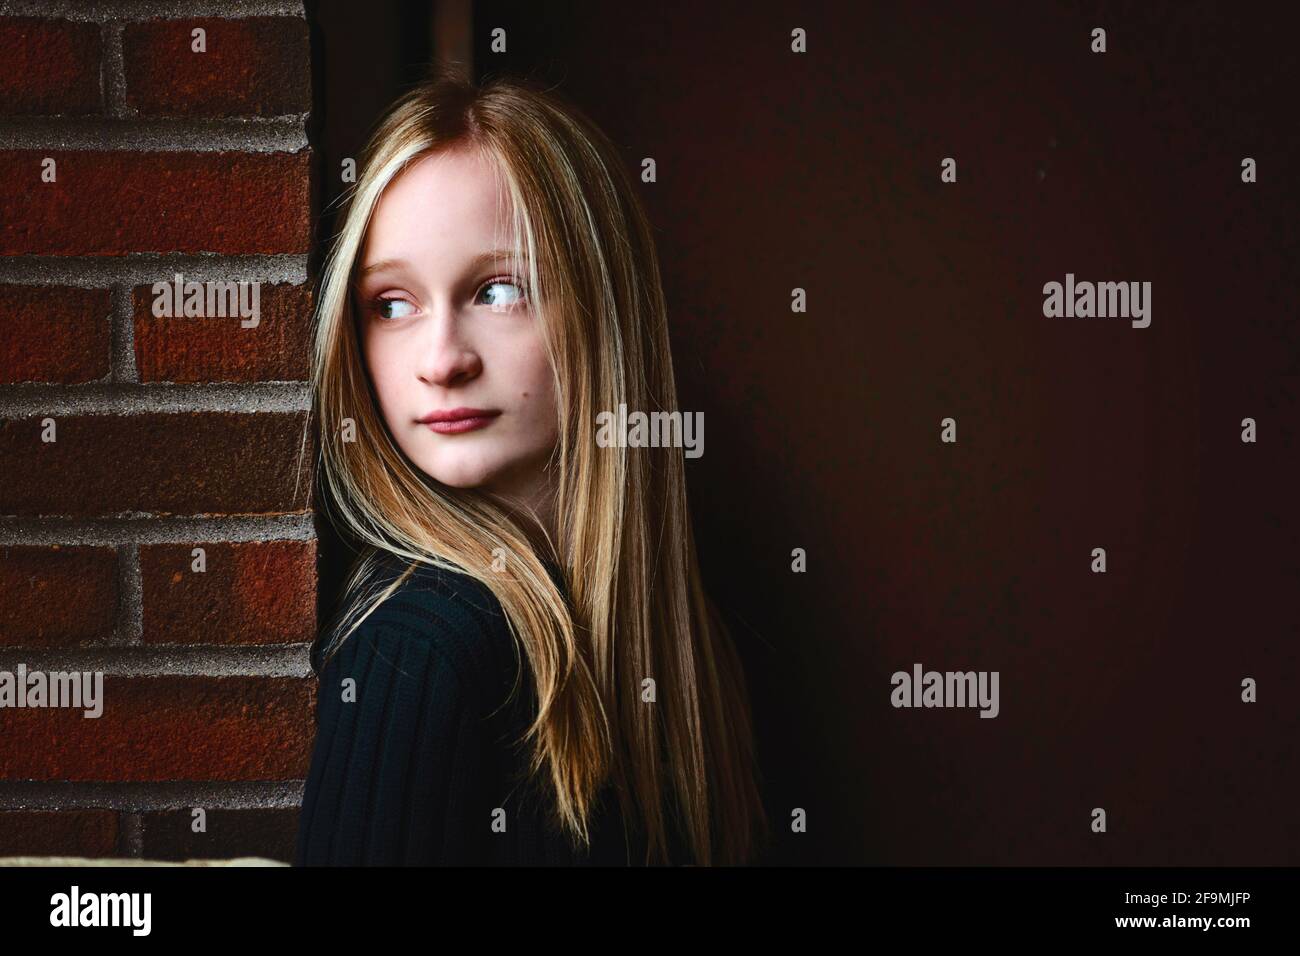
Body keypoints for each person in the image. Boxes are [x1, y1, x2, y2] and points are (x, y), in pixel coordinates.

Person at [294, 66, 767, 866]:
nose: (440, 360)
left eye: (499, 289)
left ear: (602, 311)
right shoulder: (419, 646)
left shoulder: (689, 650)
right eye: (392, 304)